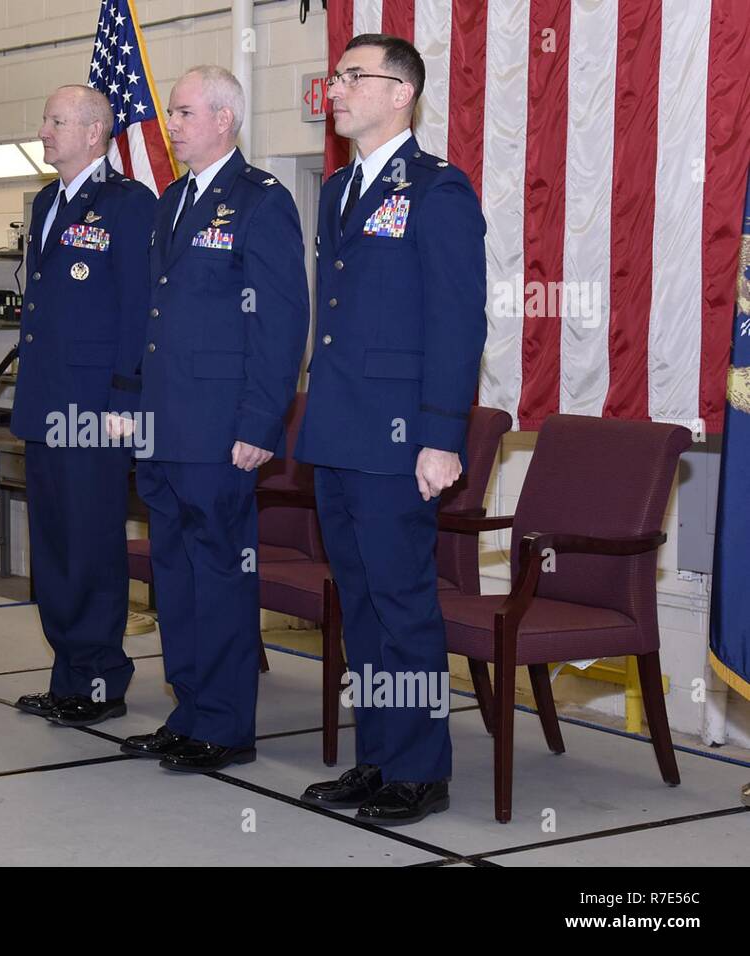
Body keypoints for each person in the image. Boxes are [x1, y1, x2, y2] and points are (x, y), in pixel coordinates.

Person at [294, 34, 487, 824]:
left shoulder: (437, 190)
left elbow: (456, 319)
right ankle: (378, 754)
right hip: (339, 430)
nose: (334, 89)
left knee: (404, 601)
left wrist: (442, 435)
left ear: (400, 93)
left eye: (352, 77)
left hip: (401, 436)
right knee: (363, 602)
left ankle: (420, 768)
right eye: (335, 76)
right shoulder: (340, 189)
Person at [115, 66, 309, 773]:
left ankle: (226, 726)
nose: (173, 124)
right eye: (170, 112)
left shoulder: (260, 202)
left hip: (221, 429)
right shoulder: (172, 202)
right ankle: (189, 709)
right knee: (176, 575)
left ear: (225, 119)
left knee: (220, 574)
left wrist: (261, 424)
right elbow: (158, 325)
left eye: (185, 112)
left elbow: (283, 323)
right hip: (165, 426)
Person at [11, 85, 157, 727]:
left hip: (95, 409)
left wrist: (125, 394)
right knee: (54, 547)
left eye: (57, 121)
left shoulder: (128, 205)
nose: (44, 130)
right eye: (45, 118)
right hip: (45, 402)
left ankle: (100, 680)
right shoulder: (47, 201)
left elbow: (138, 309)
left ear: (96, 132)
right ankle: (68, 672)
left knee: (92, 545)